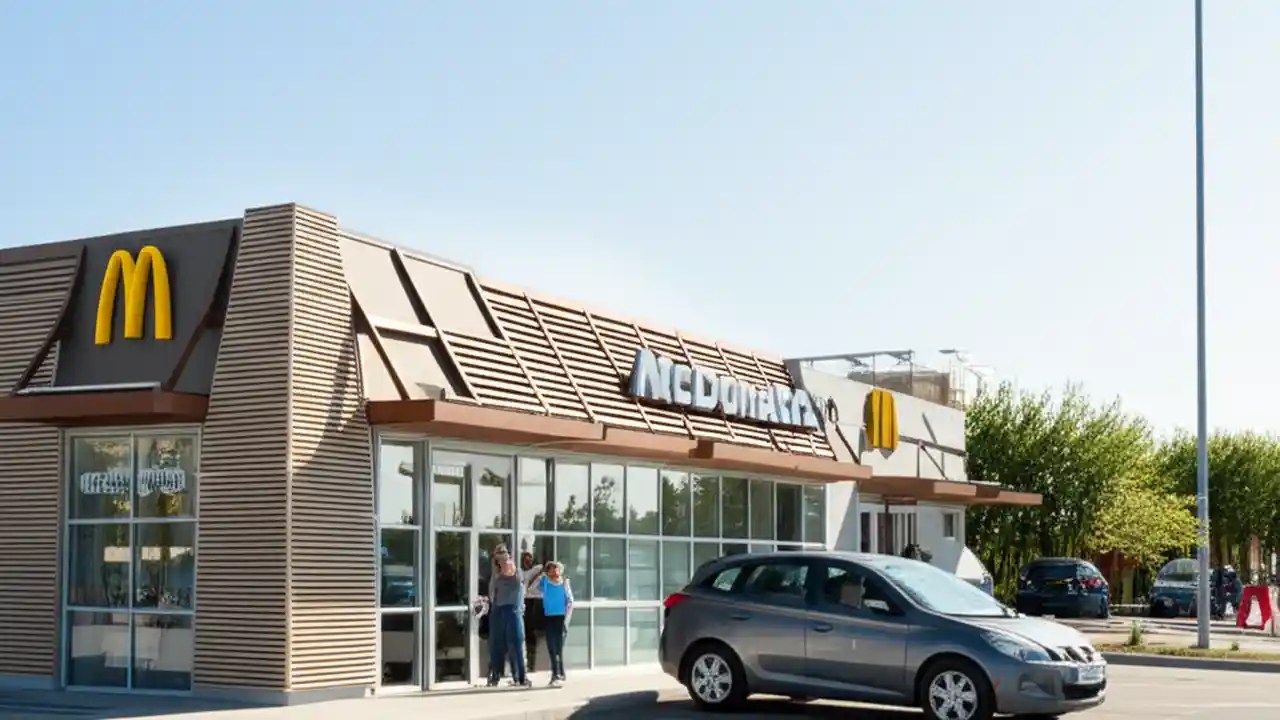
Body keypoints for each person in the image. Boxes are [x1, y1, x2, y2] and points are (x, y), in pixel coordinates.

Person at [527, 560, 574, 686]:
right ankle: (557, 673)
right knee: (552, 648)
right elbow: (530, 591)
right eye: (551, 569)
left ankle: (558, 674)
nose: (554, 571)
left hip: (561, 618)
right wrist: (539, 578)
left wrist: (566, 619)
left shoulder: (564, 582)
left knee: (558, 647)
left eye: (556, 568)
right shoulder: (545, 583)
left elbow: (570, 601)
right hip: (549, 617)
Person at [488, 551, 530, 687]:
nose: (505, 563)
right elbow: (492, 594)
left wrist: (503, 560)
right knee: (497, 646)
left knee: (516, 645)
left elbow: (510, 570)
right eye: (501, 561)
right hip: (499, 611)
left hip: (514, 611)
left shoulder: (518, 575)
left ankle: (520, 677)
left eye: (507, 560)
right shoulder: (496, 577)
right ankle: (495, 676)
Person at [519, 551, 543, 673]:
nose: (528, 562)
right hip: (523, 601)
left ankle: (532, 663)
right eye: (525, 560)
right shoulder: (520, 572)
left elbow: (541, 568)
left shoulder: (535, 571)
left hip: (532, 602)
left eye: (530, 560)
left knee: (531, 632)